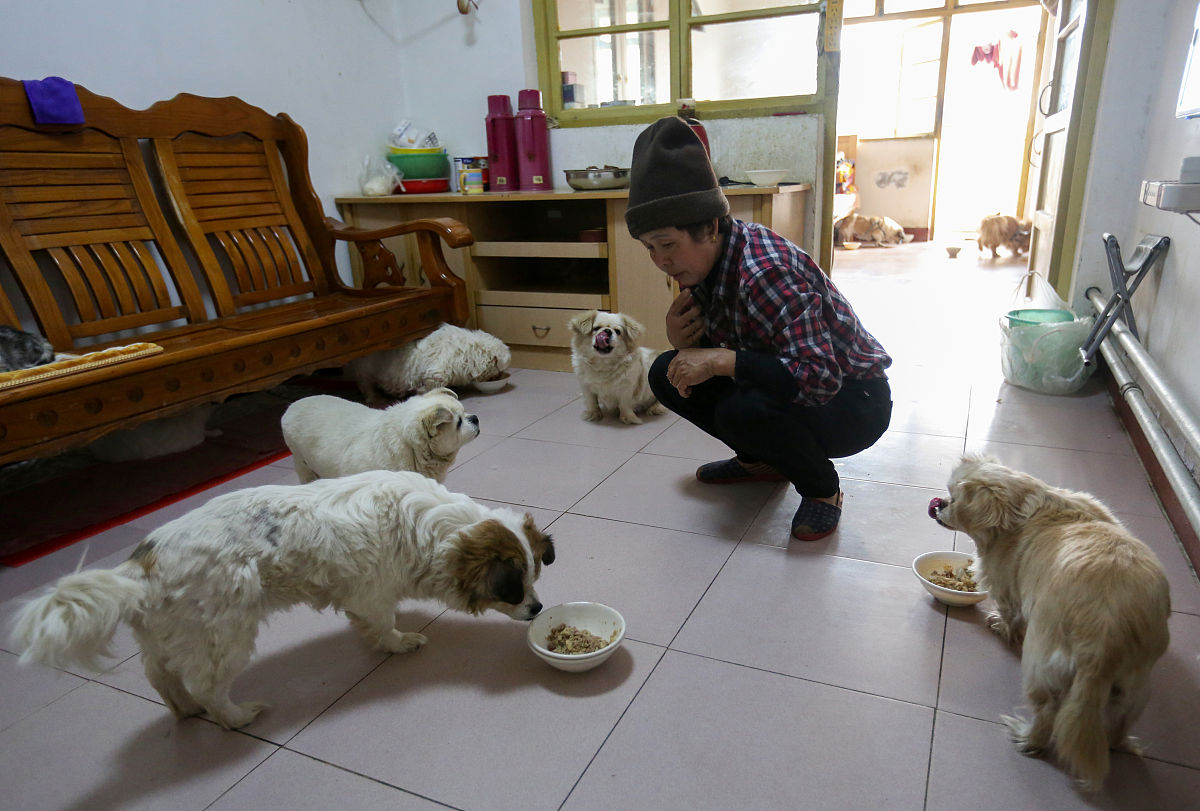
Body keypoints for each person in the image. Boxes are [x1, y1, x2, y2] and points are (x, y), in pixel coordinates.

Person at [625, 116, 893, 542]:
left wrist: (720, 360)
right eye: (649, 248)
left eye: (668, 245)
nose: (661, 261)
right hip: (791, 376)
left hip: (853, 400)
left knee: (740, 409)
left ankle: (822, 490)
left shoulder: (766, 271)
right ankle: (761, 462)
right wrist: (684, 341)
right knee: (665, 372)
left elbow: (820, 377)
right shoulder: (704, 262)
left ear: (710, 226)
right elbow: (736, 350)